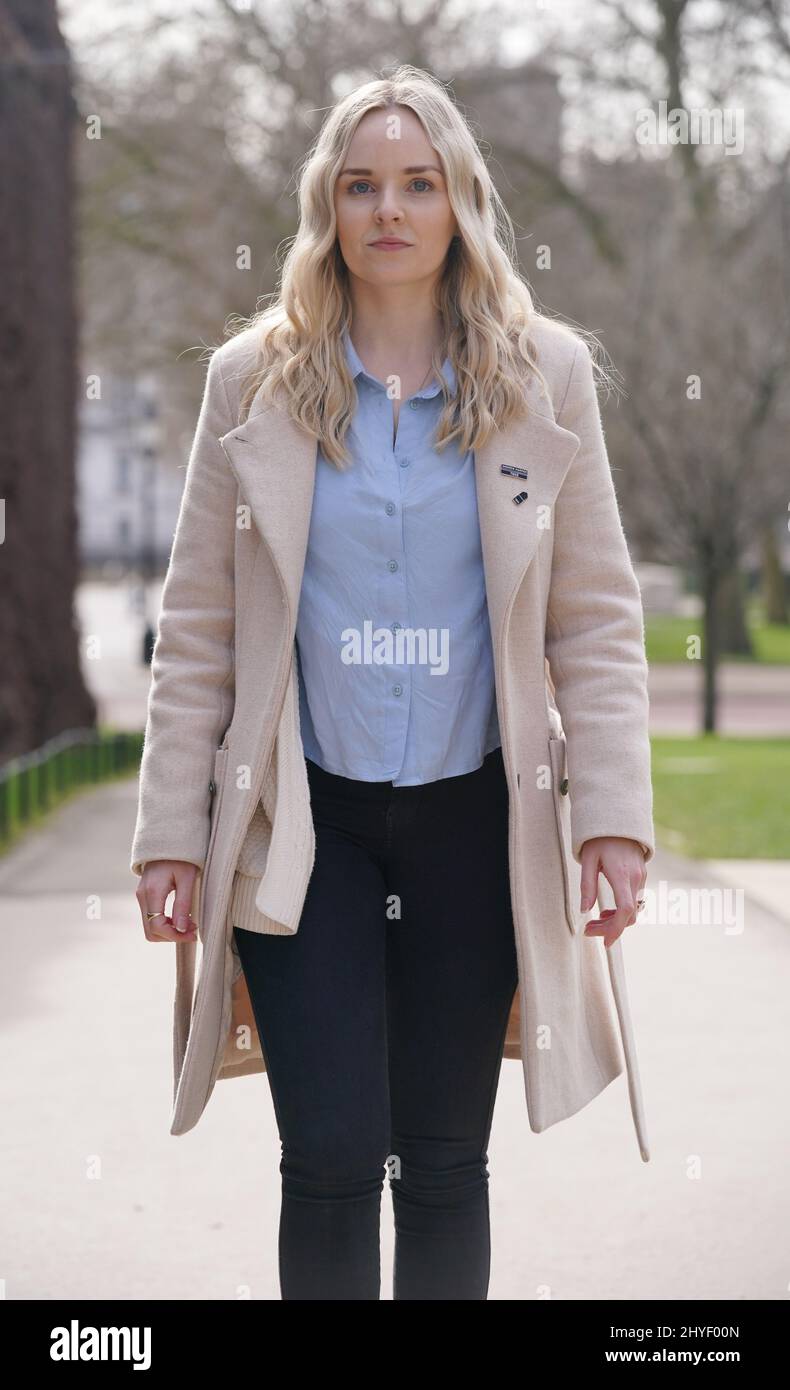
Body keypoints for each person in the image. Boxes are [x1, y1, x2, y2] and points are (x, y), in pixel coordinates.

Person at [132, 64, 654, 1301]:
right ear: (328, 209)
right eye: (361, 185)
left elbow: (596, 616)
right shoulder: (250, 383)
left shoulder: (546, 377)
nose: (389, 209)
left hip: (477, 823)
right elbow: (198, 624)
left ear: (461, 202)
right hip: (301, 828)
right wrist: (169, 835)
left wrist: (617, 819)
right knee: (325, 1156)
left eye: (418, 184)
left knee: (440, 1162)